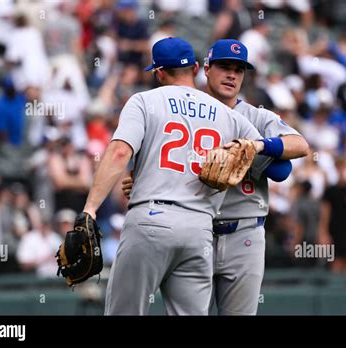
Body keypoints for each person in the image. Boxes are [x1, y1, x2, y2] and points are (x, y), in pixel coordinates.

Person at [123, 39, 308, 315]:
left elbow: (294, 154)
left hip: (244, 231)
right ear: (206, 69)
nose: (232, 74)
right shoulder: (187, 109)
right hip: (200, 230)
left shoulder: (256, 117)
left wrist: (260, 146)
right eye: (224, 67)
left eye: (239, 69)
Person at [81, 37, 265, 315]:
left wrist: (90, 209)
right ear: (194, 68)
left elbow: (120, 153)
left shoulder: (144, 100)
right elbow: (275, 162)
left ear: (158, 73)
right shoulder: (229, 115)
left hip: (151, 220)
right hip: (199, 230)